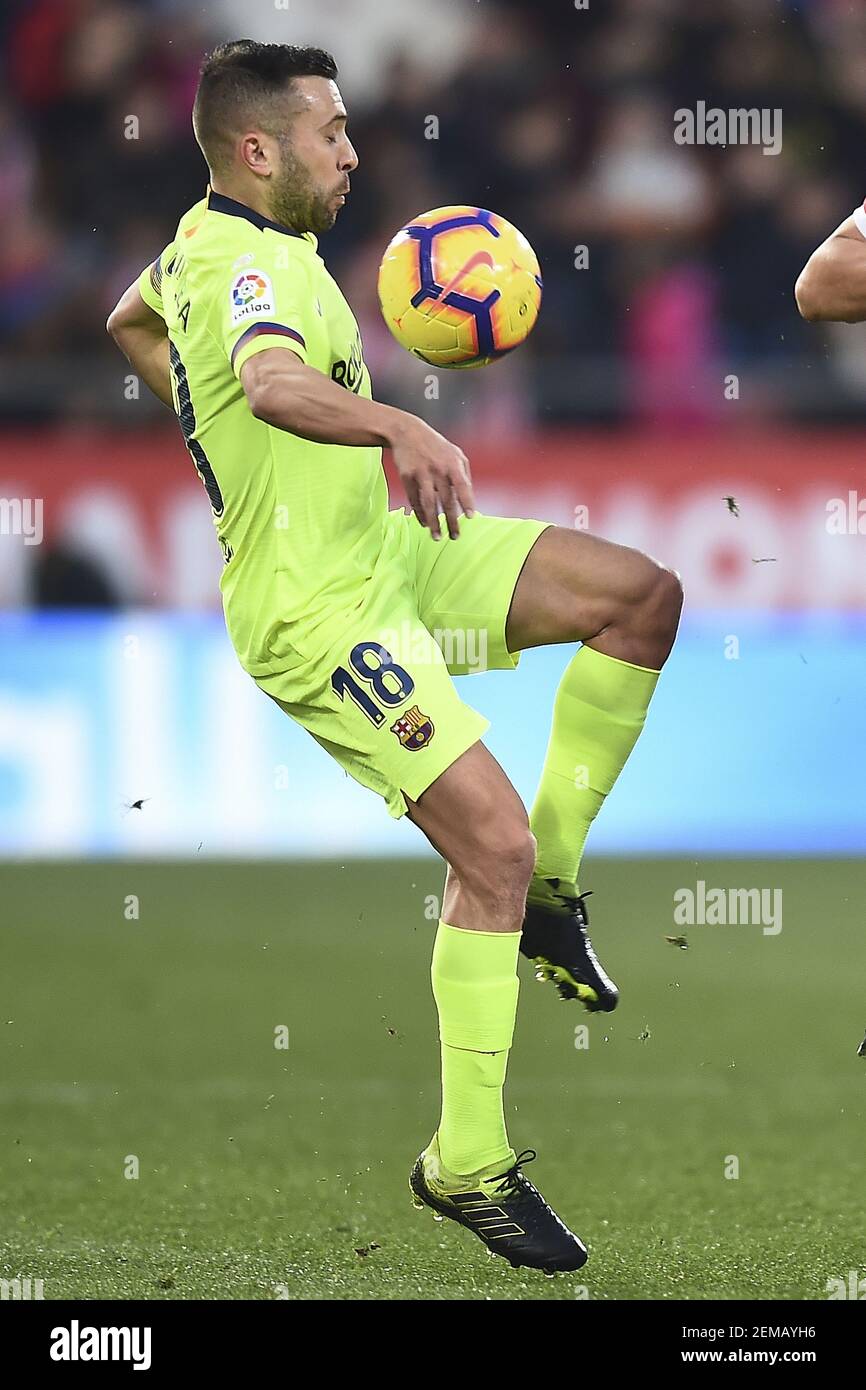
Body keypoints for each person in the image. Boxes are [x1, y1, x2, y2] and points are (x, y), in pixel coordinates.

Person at [107, 39, 682, 1274]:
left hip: (394, 559)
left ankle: (554, 896)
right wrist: (390, 419)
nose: (352, 152)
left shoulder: (200, 246)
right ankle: (464, 1163)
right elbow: (264, 387)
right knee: (488, 843)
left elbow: (131, 319)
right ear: (258, 151)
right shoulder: (253, 261)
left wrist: (195, 421)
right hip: (324, 615)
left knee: (638, 599)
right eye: (329, 133)